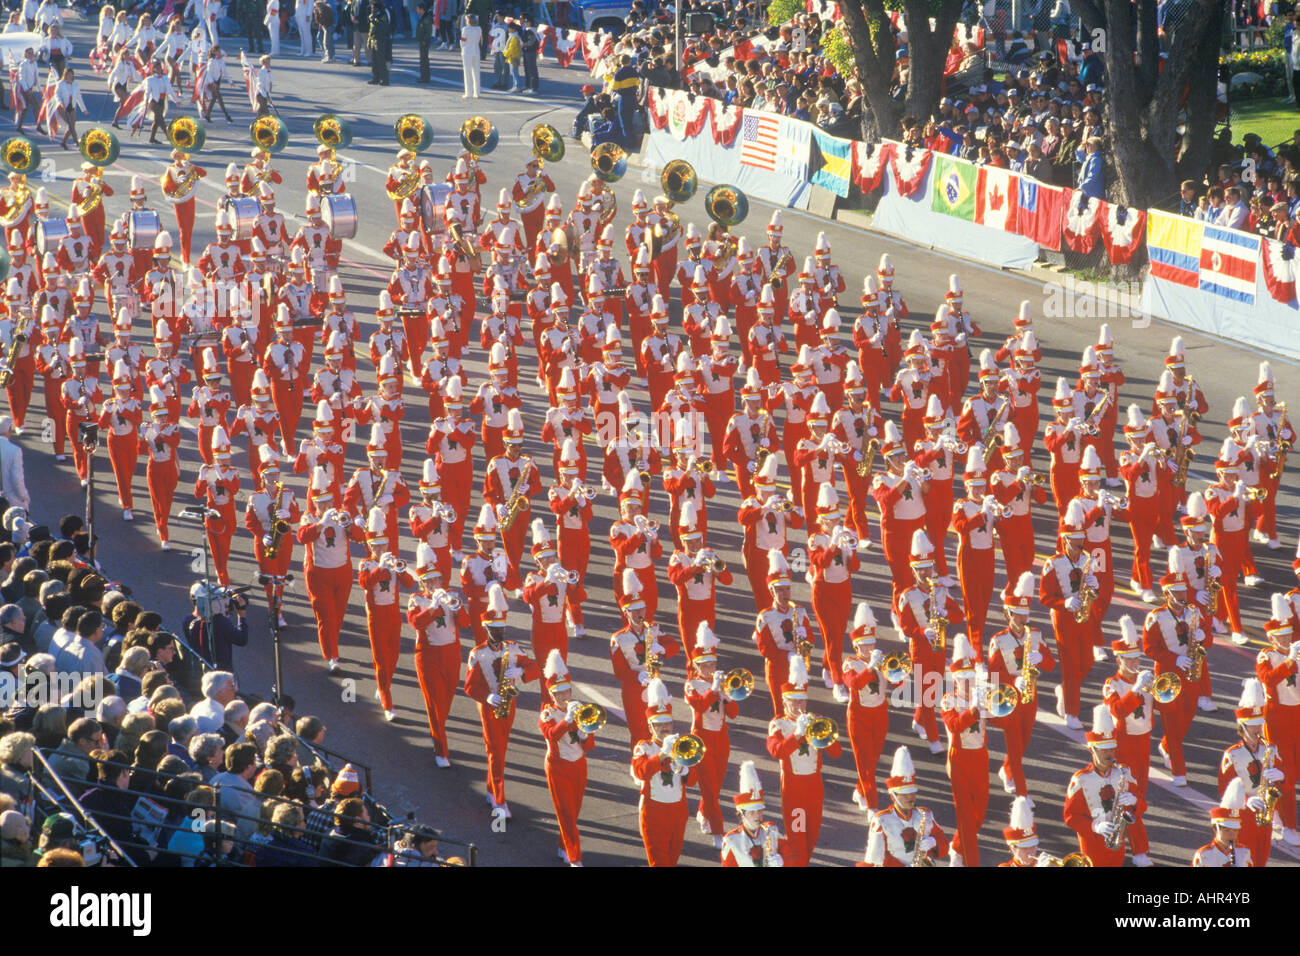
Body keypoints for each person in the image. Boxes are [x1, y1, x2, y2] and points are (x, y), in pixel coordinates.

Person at [0, 418, 28, 511]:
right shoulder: (14, 450)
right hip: (9, 500)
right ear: (9, 429)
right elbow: (17, 478)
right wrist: (23, 496)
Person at [367, 3, 390, 85]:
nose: (372, 9)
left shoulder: (382, 15)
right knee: (374, 61)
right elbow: (371, 30)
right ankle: (375, 78)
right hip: (373, 40)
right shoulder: (372, 16)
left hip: (380, 40)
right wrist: (369, 41)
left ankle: (384, 79)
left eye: (373, 8)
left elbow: (383, 28)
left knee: (381, 61)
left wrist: (374, 20)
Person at [459, 13, 481, 99]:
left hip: (467, 51)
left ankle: (468, 92)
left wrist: (462, 48)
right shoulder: (479, 29)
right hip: (476, 50)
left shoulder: (465, 29)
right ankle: (477, 92)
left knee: (467, 72)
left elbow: (462, 41)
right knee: (476, 72)